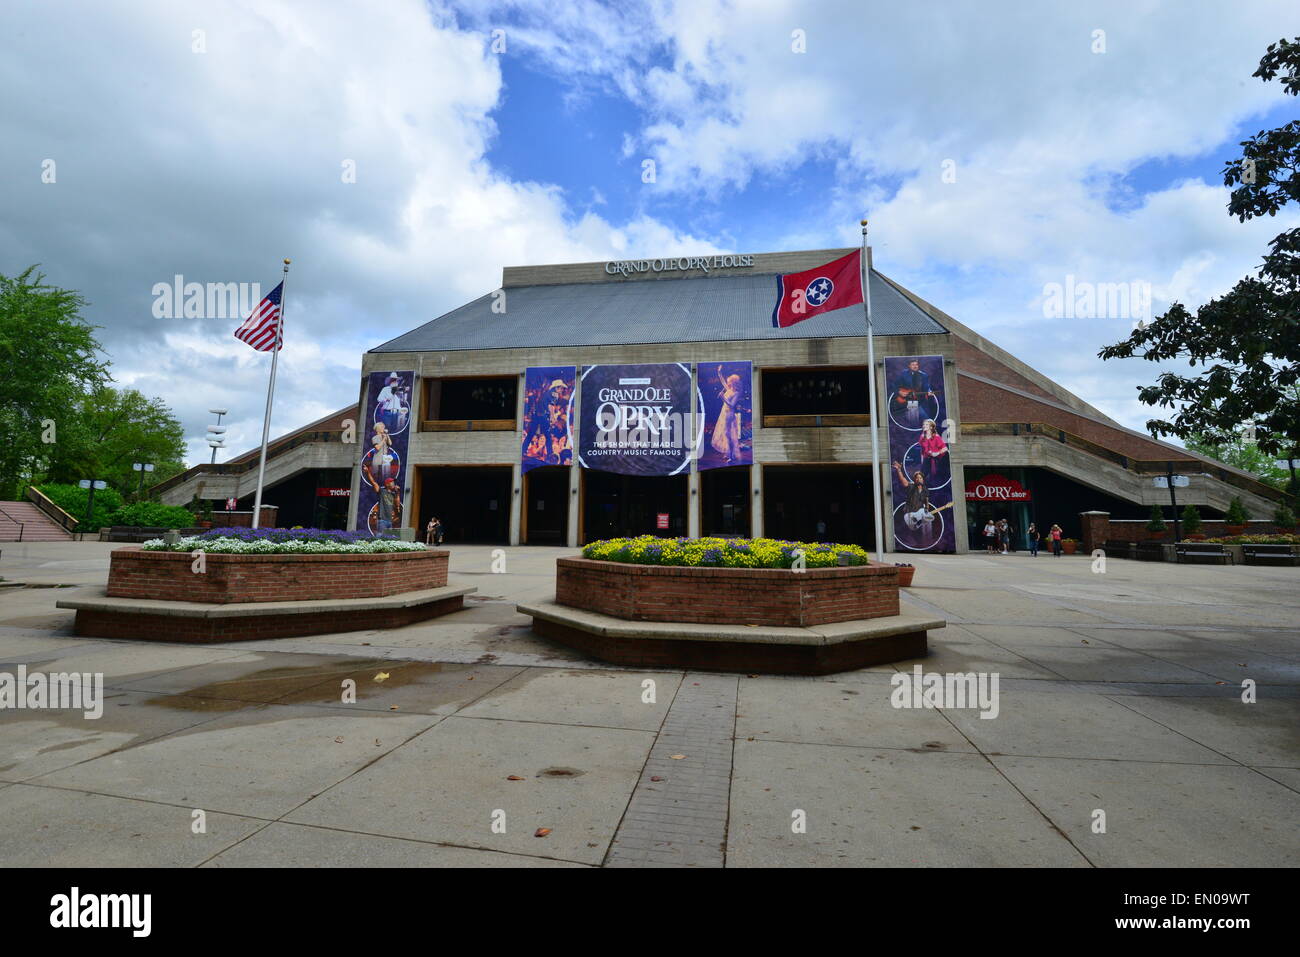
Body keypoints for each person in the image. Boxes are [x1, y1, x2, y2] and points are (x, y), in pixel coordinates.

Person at [711, 365, 745, 463]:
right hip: (724, 413)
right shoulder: (729, 389)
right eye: (728, 382)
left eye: (730, 382)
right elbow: (722, 381)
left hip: (729, 413)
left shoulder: (737, 393)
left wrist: (723, 397)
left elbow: (732, 405)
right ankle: (728, 453)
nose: (728, 383)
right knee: (725, 434)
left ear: (734, 383)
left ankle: (731, 455)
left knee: (728, 434)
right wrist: (719, 372)